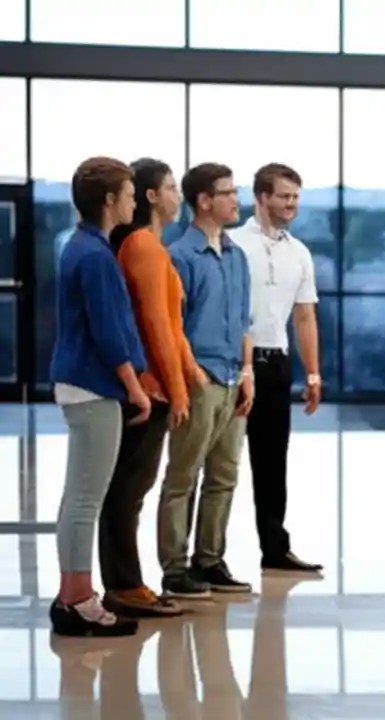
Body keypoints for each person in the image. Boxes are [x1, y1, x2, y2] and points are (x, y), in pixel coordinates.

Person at [48, 156, 150, 636]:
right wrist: (135, 387)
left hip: (81, 383)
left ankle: (73, 596)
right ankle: (78, 600)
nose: (133, 202)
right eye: (128, 195)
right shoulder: (94, 256)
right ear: (109, 200)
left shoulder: (84, 247)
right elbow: (109, 332)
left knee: (79, 496)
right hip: (93, 385)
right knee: (86, 498)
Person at [99, 158, 197, 618]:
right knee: (128, 489)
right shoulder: (143, 246)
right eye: (172, 187)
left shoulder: (149, 245)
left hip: (154, 382)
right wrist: (178, 391)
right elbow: (157, 326)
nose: (179, 196)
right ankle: (124, 586)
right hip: (148, 387)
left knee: (131, 487)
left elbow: (172, 325)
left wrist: (189, 372)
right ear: (152, 197)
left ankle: (127, 582)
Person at [157, 162, 256, 598]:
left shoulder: (237, 256)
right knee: (183, 475)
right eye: (227, 192)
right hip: (200, 379)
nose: (236, 200)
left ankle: (210, 560)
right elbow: (172, 325)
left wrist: (248, 371)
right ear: (203, 201)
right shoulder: (180, 256)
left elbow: (245, 320)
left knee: (224, 475)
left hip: (234, 378)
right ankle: (175, 568)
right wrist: (191, 376)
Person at [230, 162, 324, 574]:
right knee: (220, 463)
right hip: (235, 364)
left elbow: (304, 316)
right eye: (284, 196)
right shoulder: (234, 245)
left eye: (296, 197)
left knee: (272, 463)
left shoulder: (299, 252)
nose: (291, 204)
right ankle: (206, 557)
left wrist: (313, 373)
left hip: (277, 363)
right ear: (261, 197)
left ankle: (275, 549)